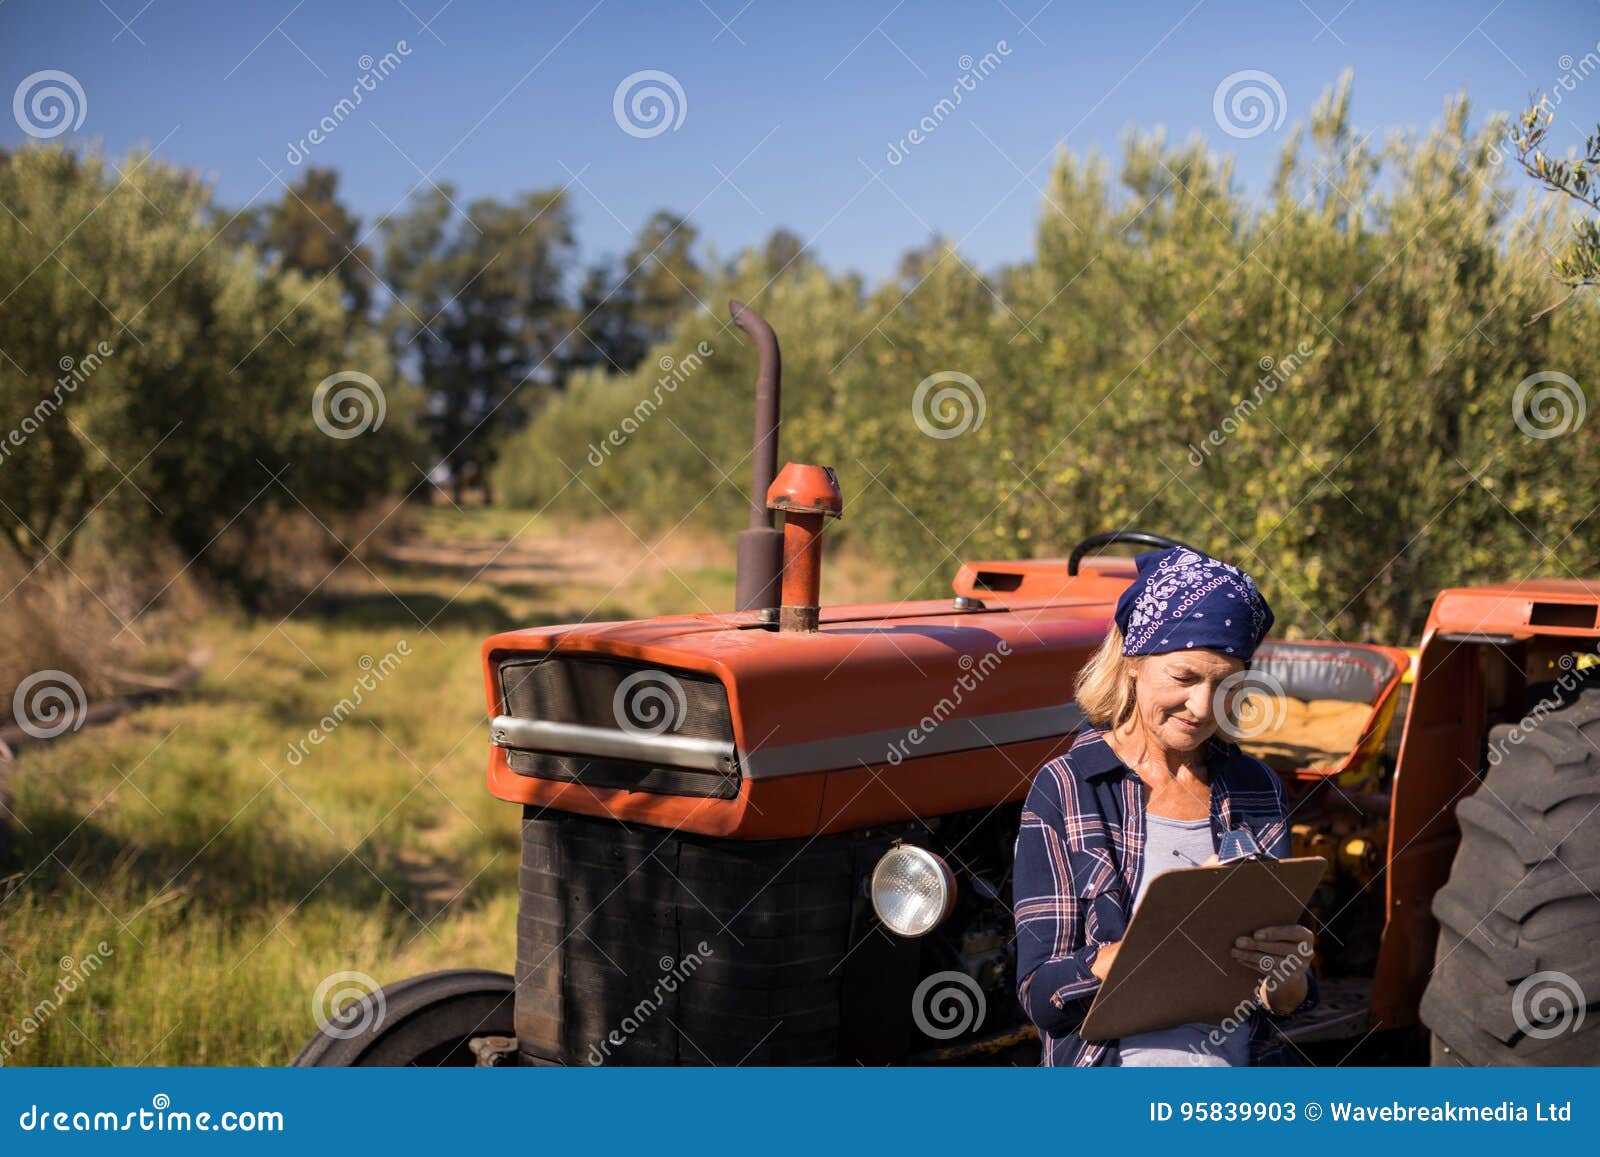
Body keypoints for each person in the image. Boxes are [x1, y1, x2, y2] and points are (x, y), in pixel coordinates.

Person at [1013, 546, 1318, 1066]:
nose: (1202, 708)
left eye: (1226, 684)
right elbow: (1041, 995)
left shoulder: (1258, 791)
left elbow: (1288, 1001)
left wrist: (1287, 975)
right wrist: (1153, 939)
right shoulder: (1067, 787)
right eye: (1185, 678)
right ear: (1133, 663)